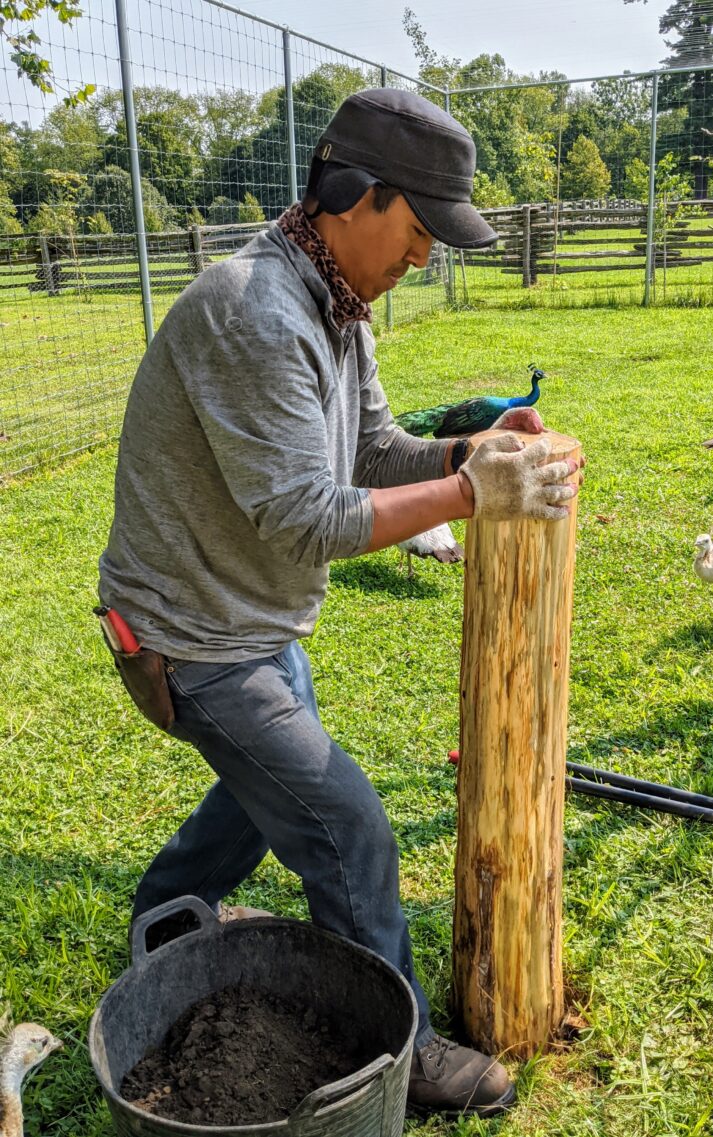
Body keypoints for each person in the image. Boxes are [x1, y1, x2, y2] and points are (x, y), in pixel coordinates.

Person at [98, 88, 579, 1118]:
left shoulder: (334, 308)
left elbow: (373, 450)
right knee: (346, 822)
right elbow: (304, 519)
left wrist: (468, 451)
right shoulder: (254, 313)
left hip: (249, 619)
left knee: (268, 794)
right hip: (190, 635)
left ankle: (162, 919)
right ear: (356, 197)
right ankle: (403, 1045)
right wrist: (467, 495)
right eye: (418, 232)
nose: (425, 259)